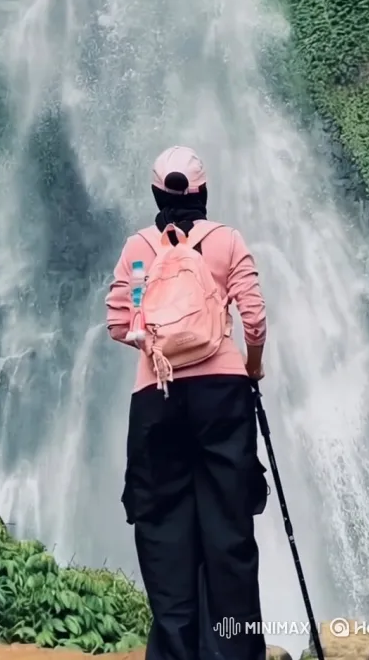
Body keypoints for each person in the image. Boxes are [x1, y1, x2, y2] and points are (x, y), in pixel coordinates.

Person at [105, 146, 268, 660]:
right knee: (229, 526)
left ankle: (175, 649)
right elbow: (255, 319)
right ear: (203, 192)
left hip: (158, 395)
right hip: (222, 394)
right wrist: (252, 364)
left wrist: (154, 335)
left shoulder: (137, 247)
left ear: (155, 193)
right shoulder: (226, 240)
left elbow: (118, 324)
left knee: (163, 529)